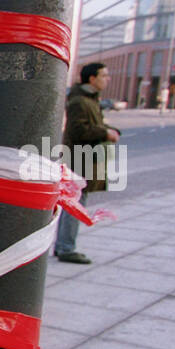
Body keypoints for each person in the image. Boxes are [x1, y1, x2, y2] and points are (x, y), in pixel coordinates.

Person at [56, 62, 120, 263]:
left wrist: (109, 129)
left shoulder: (89, 99)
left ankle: (64, 245)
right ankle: (66, 248)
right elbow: (78, 130)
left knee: (74, 202)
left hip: (85, 158)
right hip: (79, 159)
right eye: (104, 75)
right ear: (92, 78)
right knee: (75, 203)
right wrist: (105, 133)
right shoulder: (80, 101)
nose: (107, 79)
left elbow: (92, 124)